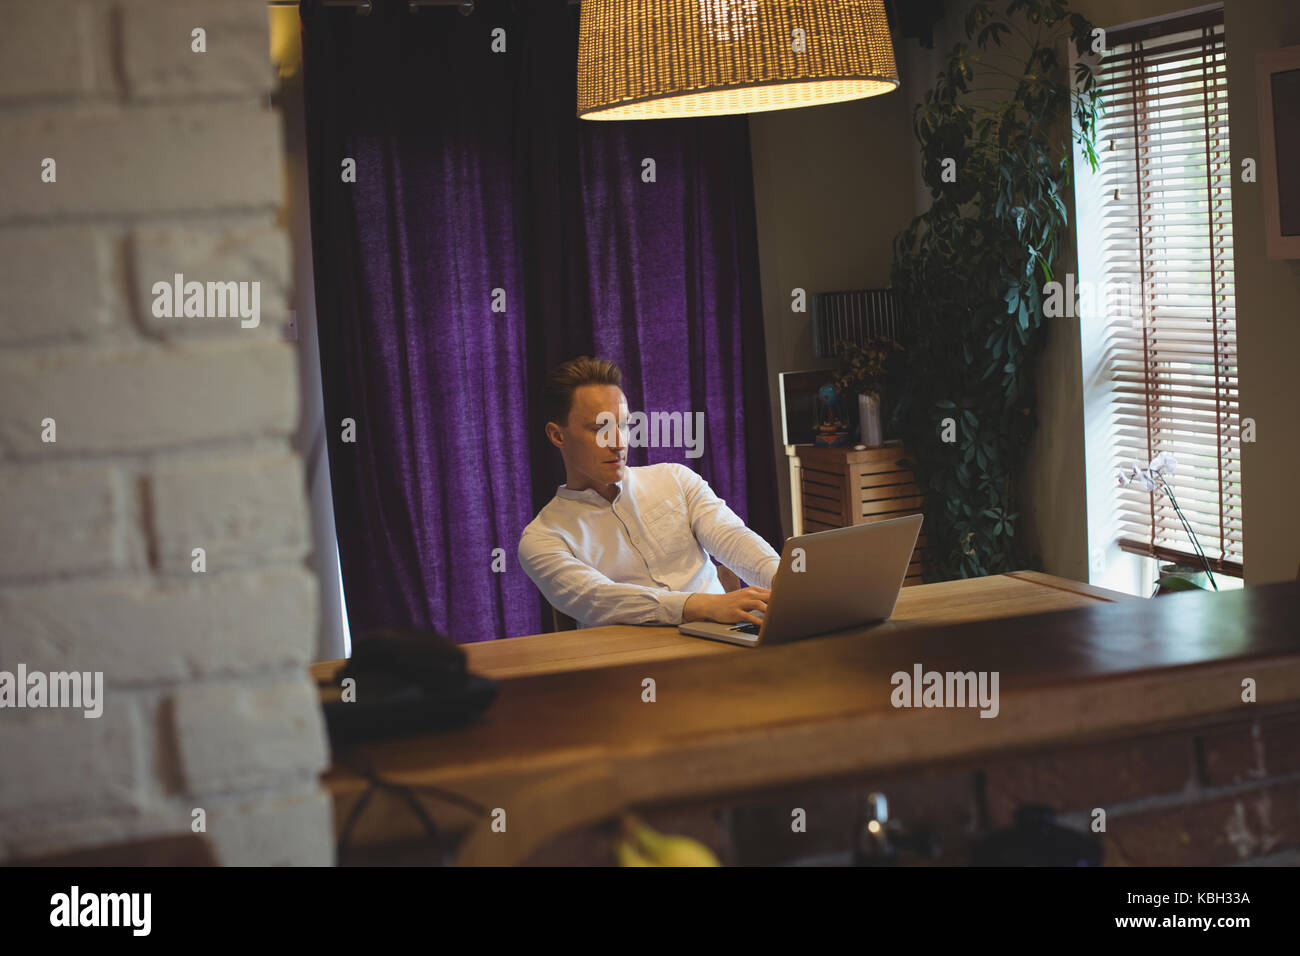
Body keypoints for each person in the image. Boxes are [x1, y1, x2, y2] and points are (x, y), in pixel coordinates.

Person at [518, 356, 780, 629]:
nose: (618, 443)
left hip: (726, 643)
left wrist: (786, 585)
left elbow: (734, 539)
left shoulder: (676, 479)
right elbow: (598, 599)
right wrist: (706, 605)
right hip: (632, 663)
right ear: (558, 436)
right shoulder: (542, 538)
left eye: (622, 425)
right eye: (600, 429)